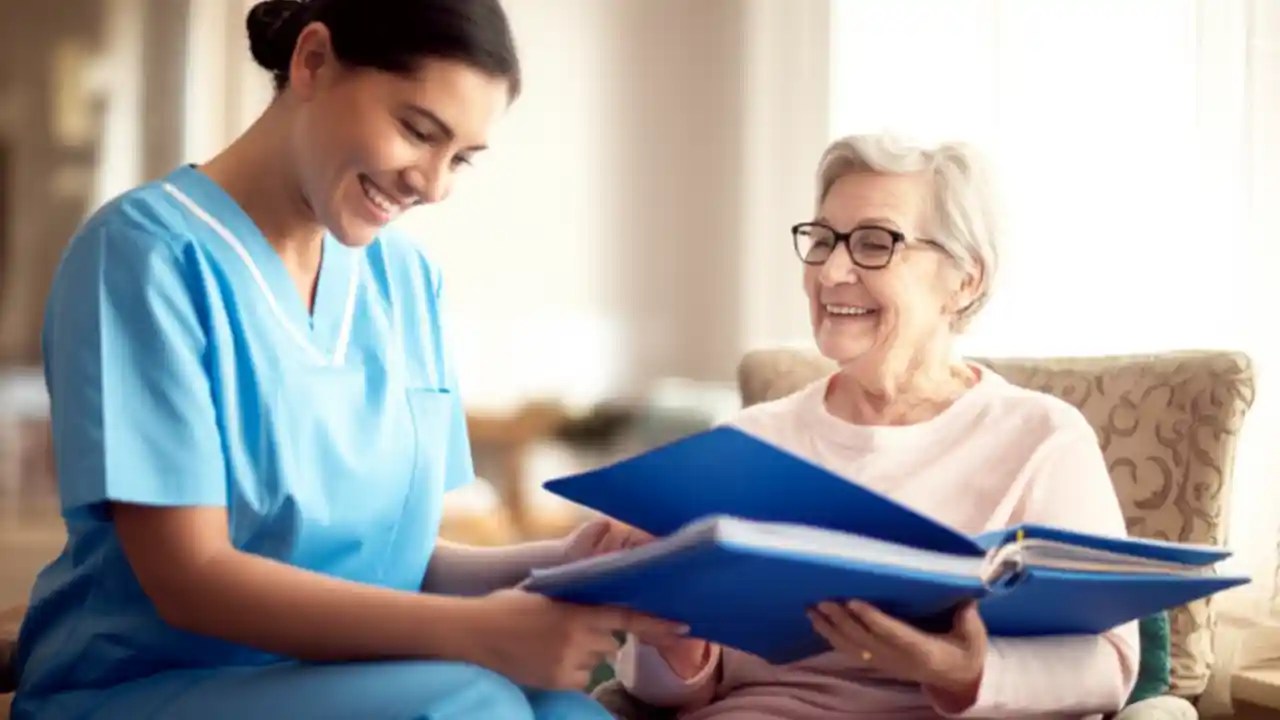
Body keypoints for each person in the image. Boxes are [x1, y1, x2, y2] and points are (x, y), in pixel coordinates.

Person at [11, 1, 687, 718]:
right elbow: (189, 578)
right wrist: (479, 635)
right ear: (312, 62)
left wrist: (564, 562)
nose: (433, 184)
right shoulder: (144, 256)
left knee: (567, 711)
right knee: (468, 702)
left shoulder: (405, 282)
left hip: (347, 682)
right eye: (416, 131)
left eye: (459, 158)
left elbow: (398, 565)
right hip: (143, 688)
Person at [611, 134, 1140, 719]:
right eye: (822, 240)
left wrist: (962, 673)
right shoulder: (747, 442)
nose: (832, 271)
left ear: (965, 279)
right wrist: (671, 629)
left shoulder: (1042, 438)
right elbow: (659, 693)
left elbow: (1108, 665)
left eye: (873, 243)